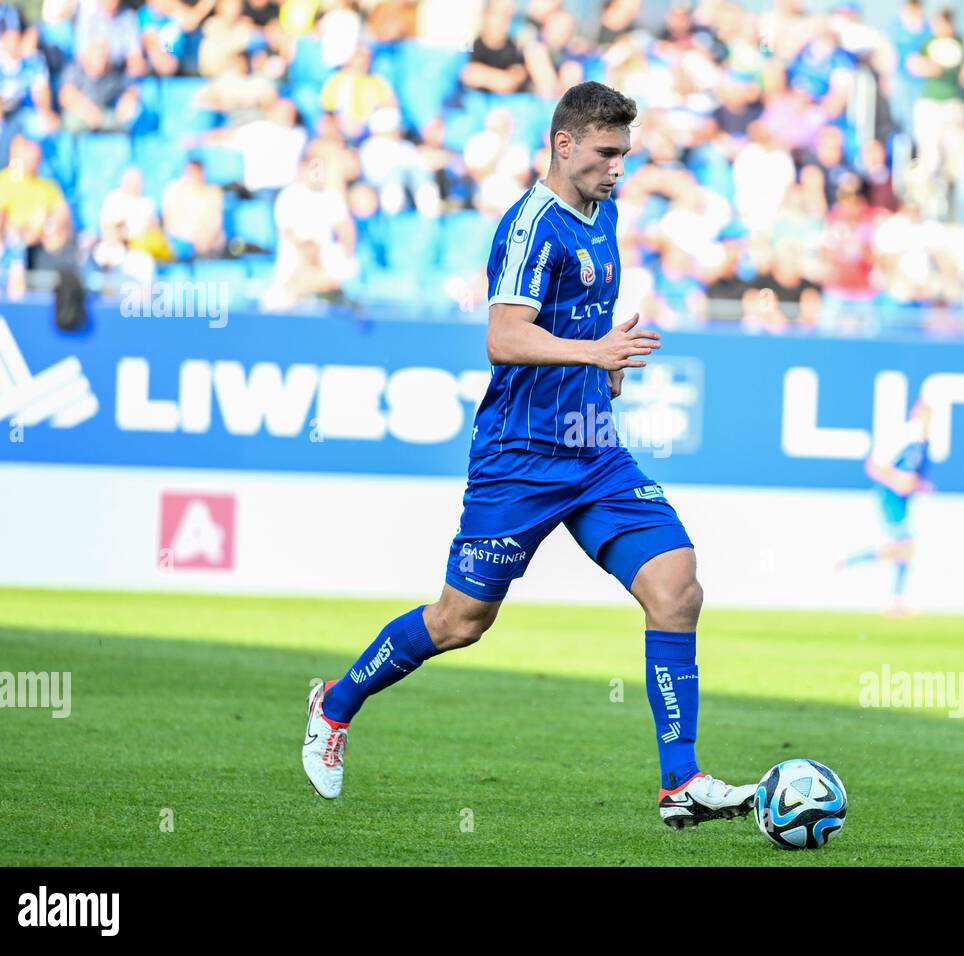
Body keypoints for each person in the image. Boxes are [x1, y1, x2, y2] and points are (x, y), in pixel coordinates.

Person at [302, 81, 756, 829]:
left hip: (593, 450)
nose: (619, 168)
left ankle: (681, 780)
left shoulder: (603, 214)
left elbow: (581, 318)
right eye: (607, 153)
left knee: (677, 586)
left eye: (625, 154)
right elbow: (503, 337)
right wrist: (591, 351)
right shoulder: (528, 227)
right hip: (520, 455)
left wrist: (603, 365)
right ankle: (337, 701)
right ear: (564, 143)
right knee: (460, 621)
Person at [836, 399, 933, 616]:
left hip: (903, 499)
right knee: (905, 547)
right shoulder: (906, 438)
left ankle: (894, 599)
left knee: (904, 548)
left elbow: (911, 477)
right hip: (890, 497)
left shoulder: (924, 443)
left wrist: (918, 485)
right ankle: (852, 565)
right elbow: (874, 466)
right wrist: (896, 481)